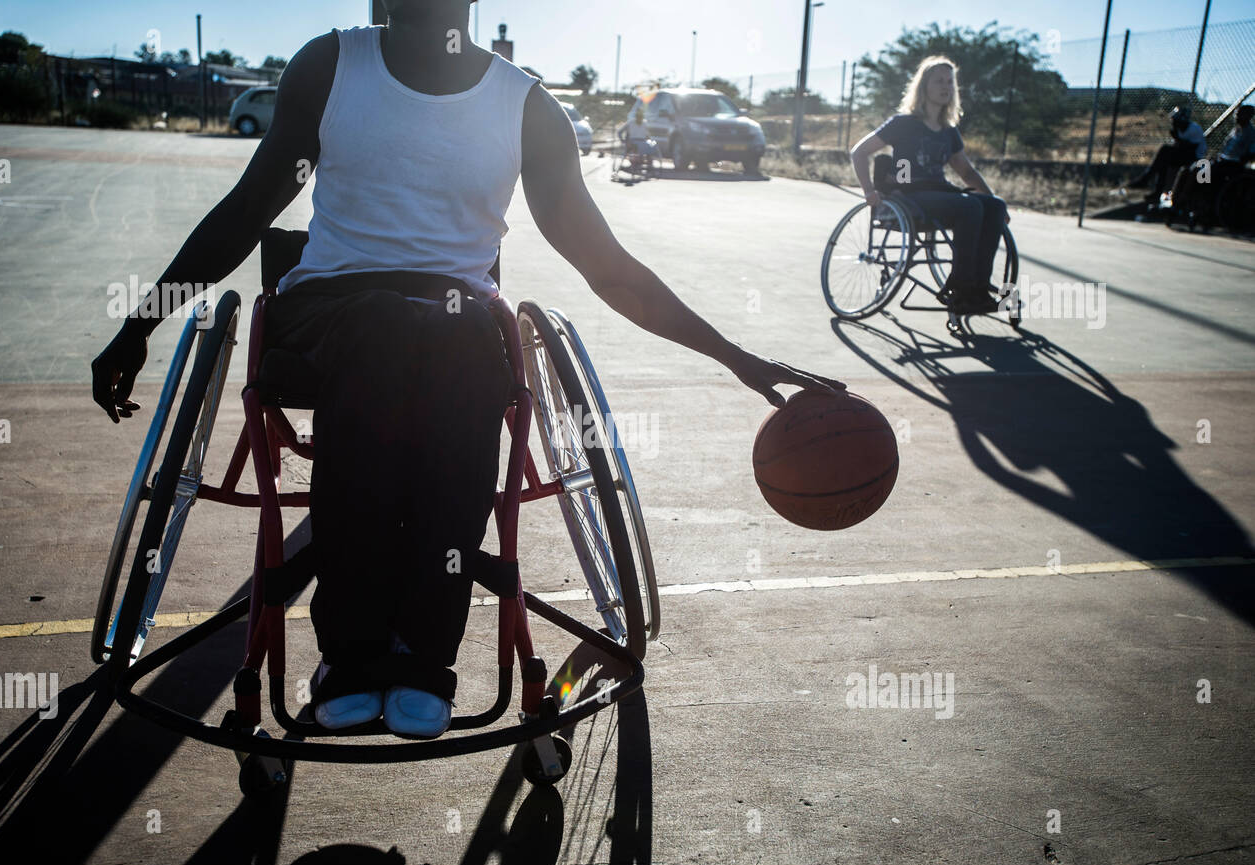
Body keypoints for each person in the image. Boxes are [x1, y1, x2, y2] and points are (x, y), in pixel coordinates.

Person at [90, 0, 842, 738]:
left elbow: (608, 267)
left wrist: (736, 358)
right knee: (386, 324)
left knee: (456, 337)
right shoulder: (332, 65)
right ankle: (352, 653)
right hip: (331, 309)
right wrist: (140, 322)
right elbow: (248, 207)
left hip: (454, 319)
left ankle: (422, 654)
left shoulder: (525, 108)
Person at [850, 56, 1009, 316]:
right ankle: (961, 288)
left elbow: (966, 171)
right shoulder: (904, 123)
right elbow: (859, 152)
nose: (946, 86)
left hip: (941, 195)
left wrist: (992, 201)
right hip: (909, 195)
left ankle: (979, 288)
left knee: (994, 206)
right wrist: (868, 190)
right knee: (969, 208)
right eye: (939, 81)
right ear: (923, 86)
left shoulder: (949, 131)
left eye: (950, 82)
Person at [1125, 104, 1207, 206]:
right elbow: (1177, 146)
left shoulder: (1194, 129)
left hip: (1195, 158)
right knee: (1163, 161)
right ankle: (1155, 191)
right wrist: (1177, 140)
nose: (1173, 123)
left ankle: (1146, 178)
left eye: (1175, 120)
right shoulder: (1178, 129)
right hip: (1183, 155)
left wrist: (1178, 139)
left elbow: (1191, 149)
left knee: (1165, 151)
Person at [622, 104, 660, 173]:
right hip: (634, 142)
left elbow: (648, 135)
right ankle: (638, 163)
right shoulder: (631, 122)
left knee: (651, 146)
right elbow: (620, 132)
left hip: (642, 142)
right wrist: (623, 141)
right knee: (641, 148)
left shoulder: (644, 123)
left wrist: (652, 141)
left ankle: (649, 165)